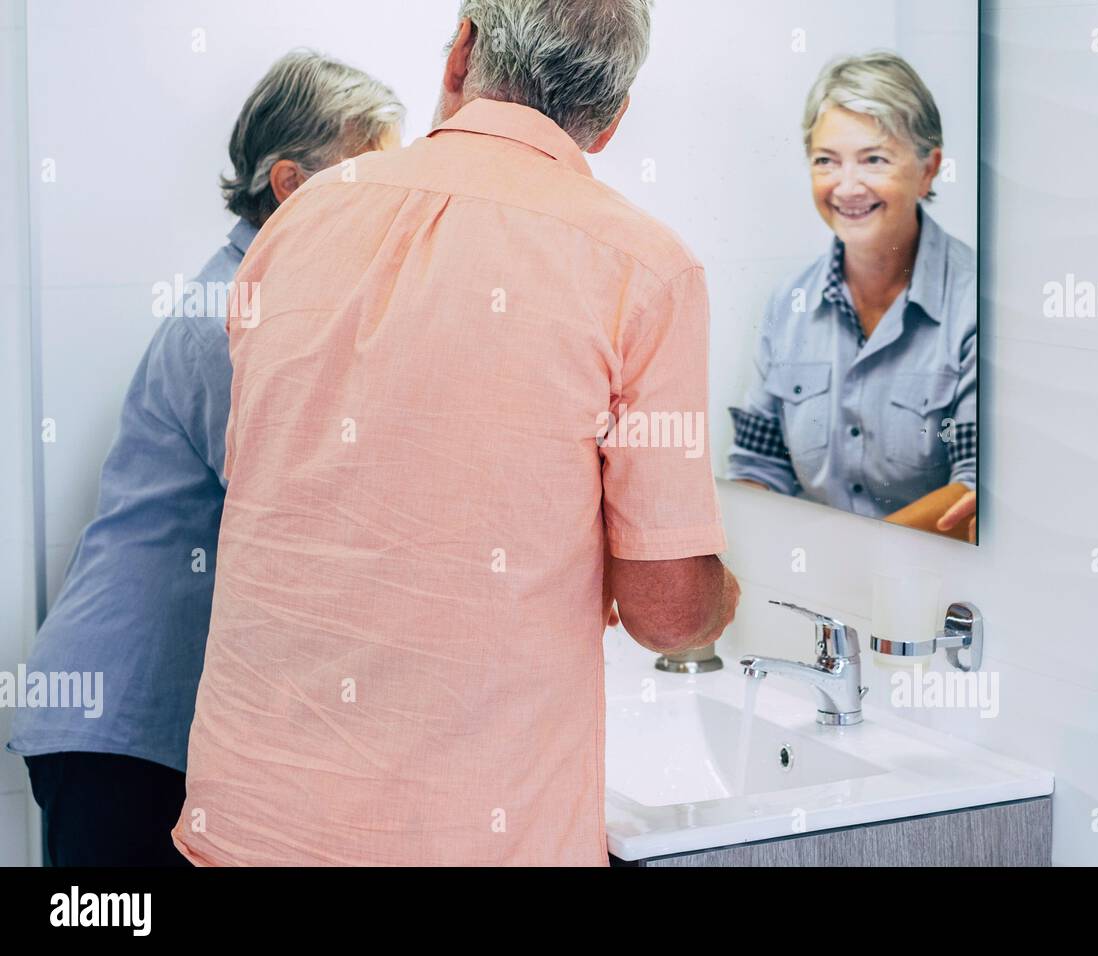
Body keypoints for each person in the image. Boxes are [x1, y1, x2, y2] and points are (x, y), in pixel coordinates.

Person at [172, 0, 740, 868]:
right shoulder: (644, 269)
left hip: (247, 823)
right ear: (612, 119)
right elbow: (668, 615)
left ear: (461, 53)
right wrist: (722, 597)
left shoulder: (301, 220)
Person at [6, 50, 404, 866]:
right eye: (370, 182)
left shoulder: (275, 301)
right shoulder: (233, 315)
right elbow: (305, 517)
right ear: (290, 183)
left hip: (145, 726)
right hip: (121, 728)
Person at [726, 51, 978, 542]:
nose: (847, 187)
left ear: (929, 170)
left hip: (933, 581)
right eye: (826, 161)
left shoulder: (977, 305)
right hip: (810, 572)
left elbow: (975, 489)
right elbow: (757, 464)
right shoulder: (788, 303)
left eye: (874, 159)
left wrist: (848, 556)